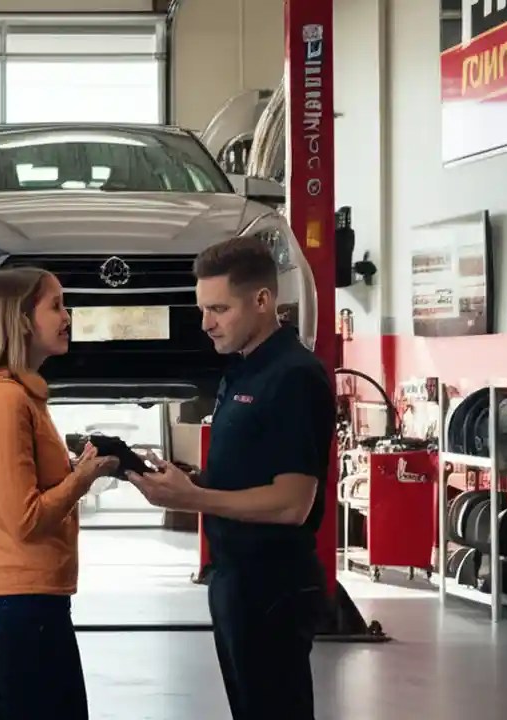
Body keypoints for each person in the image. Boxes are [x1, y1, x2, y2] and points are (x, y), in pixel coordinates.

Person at [126, 235, 336, 720]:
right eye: (202, 309)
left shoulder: (294, 377)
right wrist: (188, 480)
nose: (206, 324)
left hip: (273, 585)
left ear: (263, 301)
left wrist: (195, 499)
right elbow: (248, 474)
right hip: (235, 578)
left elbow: (292, 503)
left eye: (218, 309)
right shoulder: (241, 371)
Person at [0, 266, 120, 720]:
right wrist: (82, 478)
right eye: (56, 306)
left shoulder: (21, 396)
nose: (67, 317)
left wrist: (75, 469)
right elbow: (24, 518)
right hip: (22, 595)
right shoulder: (5, 400)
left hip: (34, 595)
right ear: (22, 320)